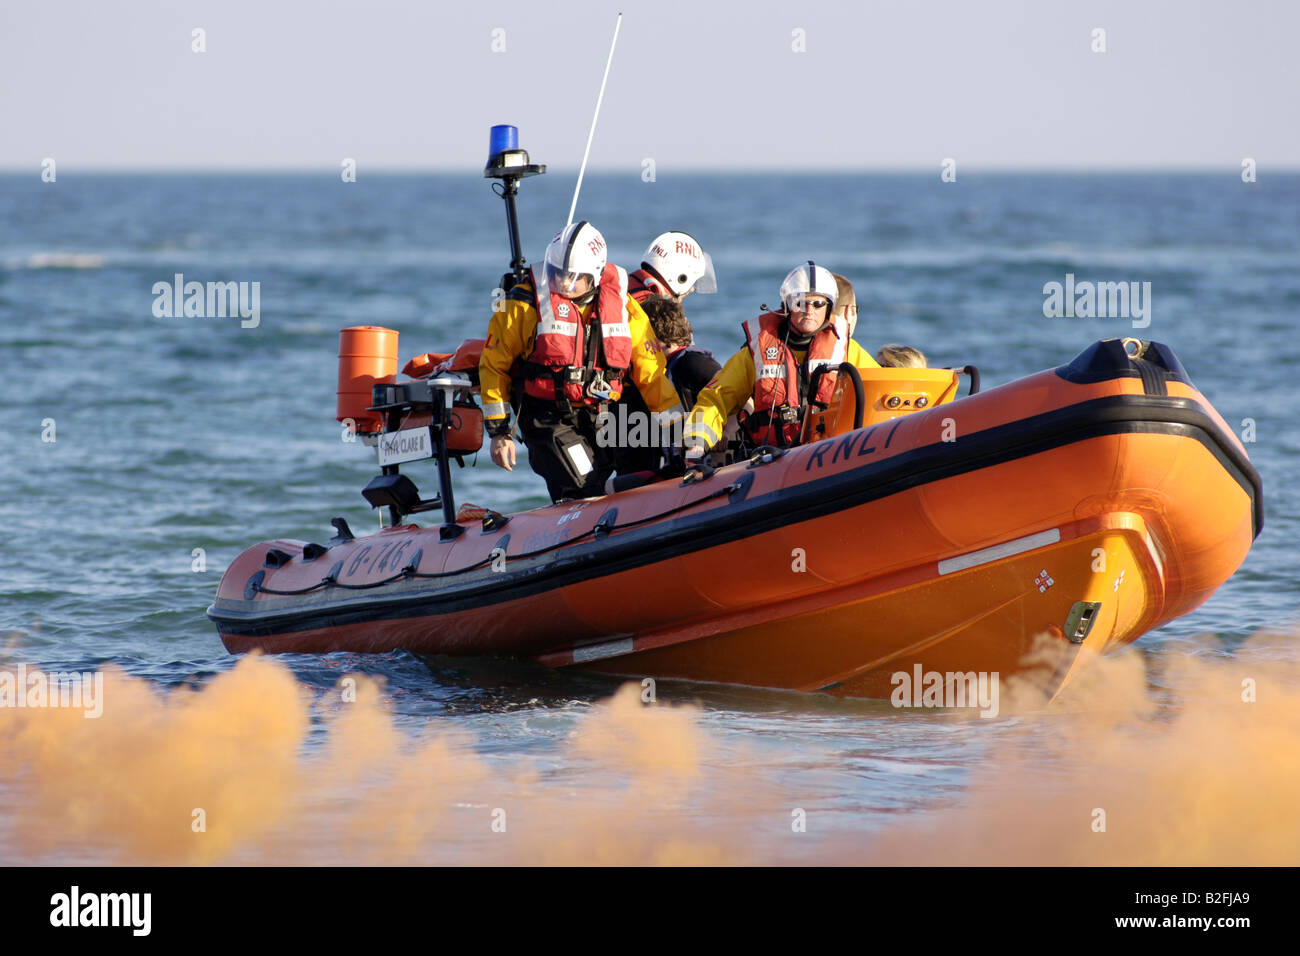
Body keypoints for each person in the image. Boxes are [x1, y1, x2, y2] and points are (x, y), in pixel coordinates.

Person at [479, 221, 684, 502]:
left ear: (596, 276)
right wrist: (499, 433)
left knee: (643, 461)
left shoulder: (624, 309)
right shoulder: (523, 305)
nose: (564, 283)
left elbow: (651, 375)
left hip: (601, 413)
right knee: (583, 485)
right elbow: (493, 366)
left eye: (575, 277)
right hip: (548, 418)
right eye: (556, 274)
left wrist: (678, 431)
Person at [683, 261, 879, 460]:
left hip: (829, 456)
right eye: (800, 303)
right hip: (771, 460)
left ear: (829, 308)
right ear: (787, 305)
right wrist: (696, 442)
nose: (809, 310)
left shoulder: (846, 350)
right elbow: (717, 397)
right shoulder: (757, 351)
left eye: (818, 303)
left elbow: (881, 387)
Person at [613, 231, 718, 474]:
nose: (690, 291)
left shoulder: (624, 297)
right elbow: (655, 378)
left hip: (613, 414)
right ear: (679, 277)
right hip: (638, 413)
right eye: (690, 284)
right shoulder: (648, 311)